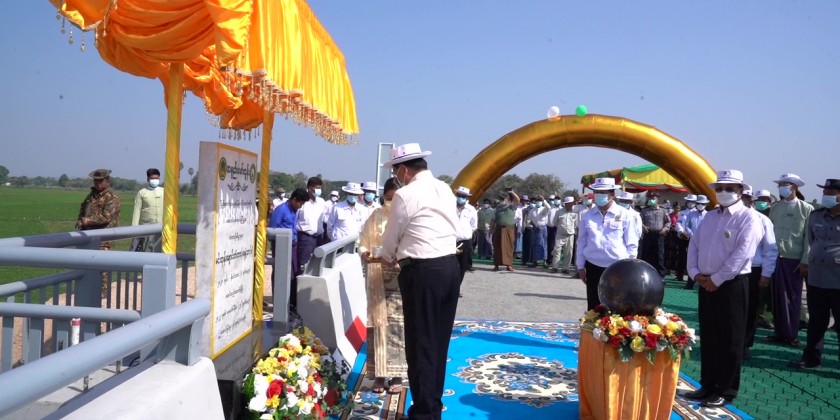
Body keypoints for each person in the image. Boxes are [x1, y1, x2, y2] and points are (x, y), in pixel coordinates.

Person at [380, 143, 460, 420]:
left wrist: (386, 255)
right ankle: (432, 406)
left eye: (395, 171)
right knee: (438, 343)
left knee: (420, 343)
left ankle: (425, 413)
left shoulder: (405, 194)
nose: (396, 177)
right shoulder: (445, 188)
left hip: (422, 271)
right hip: (450, 267)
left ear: (403, 170)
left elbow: (391, 237)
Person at [684, 169, 762, 407]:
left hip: (731, 285)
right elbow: (694, 245)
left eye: (729, 188)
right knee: (709, 336)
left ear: (740, 191)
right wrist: (695, 273)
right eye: (719, 188)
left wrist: (717, 279)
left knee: (730, 338)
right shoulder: (710, 216)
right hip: (705, 282)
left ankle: (725, 390)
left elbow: (743, 253)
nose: (723, 192)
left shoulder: (748, 218)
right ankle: (708, 384)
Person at [358, 178, 408, 393]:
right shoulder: (375, 216)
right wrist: (365, 254)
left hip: (401, 276)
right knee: (377, 325)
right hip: (377, 276)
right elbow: (362, 242)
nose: (391, 203)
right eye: (388, 198)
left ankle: (397, 375)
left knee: (399, 326)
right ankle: (379, 375)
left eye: (395, 199)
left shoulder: (408, 218)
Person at [789, 178, 840, 369]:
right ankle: (811, 358)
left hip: (838, 280)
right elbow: (812, 241)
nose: (826, 196)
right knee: (816, 322)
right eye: (825, 192)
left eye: (831, 193)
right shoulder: (816, 216)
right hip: (817, 278)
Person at [576, 178, 640, 310]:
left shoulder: (625, 215)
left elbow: (632, 243)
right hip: (593, 266)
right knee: (594, 306)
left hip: (617, 267)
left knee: (616, 305)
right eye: (597, 192)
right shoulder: (587, 215)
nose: (599, 195)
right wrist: (580, 265)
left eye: (603, 192)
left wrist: (629, 266)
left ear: (612, 195)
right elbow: (581, 241)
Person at [767, 173, 813, 347]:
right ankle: (779, 332)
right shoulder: (775, 207)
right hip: (775, 257)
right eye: (780, 185)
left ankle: (791, 334)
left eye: (784, 184)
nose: (781, 188)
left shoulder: (806, 208)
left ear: (794, 187)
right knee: (776, 297)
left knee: (792, 298)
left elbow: (809, 237)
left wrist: (805, 260)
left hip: (794, 259)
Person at [741, 186, 778, 360]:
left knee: (751, 309)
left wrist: (766, 273)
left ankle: (745, 344)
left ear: (751, 200)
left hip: (753, 270)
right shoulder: (724, 218)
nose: (742, 199)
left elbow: (770, 249)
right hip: (728, 271)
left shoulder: (762, 220)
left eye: (745, 197)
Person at [76, 169, 121, 295]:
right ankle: (87, 290)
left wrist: (86, 221)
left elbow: (106, 217)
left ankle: (102, 293)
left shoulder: (112, 197)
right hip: (88, 237)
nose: (98, 183)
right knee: (87, 265)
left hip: (103, 238)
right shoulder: (91, 196)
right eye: (96, 180)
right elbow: (83, 210)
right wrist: (80, 221)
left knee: (101, 267)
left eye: (101, 181)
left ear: (107, 181)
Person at [269, 188, 308, 310]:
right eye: (300, 203)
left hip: (293, 245)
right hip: (281, 246)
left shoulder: (294, 210)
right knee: (280, 274)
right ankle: (279, 304)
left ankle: (290, 303)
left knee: (293, 274)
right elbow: (272, 230)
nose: (301, 206)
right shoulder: (281, 210)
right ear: (294, 200)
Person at [295, 177, 327, 273]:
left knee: (317, 264)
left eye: (320, 188)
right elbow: (295, 219)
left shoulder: (321, 202)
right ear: (309, 188)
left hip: (319, 238)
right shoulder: (302, 202)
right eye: (317, 188)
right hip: (305, 237)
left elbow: (325, 219)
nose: (319, 190)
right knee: (303, 264)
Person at [130, 168, 164, 252]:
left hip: (161, 226)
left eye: (157, 178)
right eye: (152, 178)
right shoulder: (142, 192)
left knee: (158, 250)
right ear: (148, 179)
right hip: (146, 227)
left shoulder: (164, 191)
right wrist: (134, 229)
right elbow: (137, 211)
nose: (155, 180)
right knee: (146, 250)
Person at [640, 191, 671, 276]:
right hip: (648, 234)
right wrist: (643, 227)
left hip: (659, 234)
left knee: (659, 255)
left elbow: (668, 222)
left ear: (657, 199)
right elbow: (639, 221)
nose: (651, 200)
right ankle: (645, 274)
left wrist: (665, 229)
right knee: (646, 254)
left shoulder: (663, 210)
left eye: (653, 198)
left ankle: (660, 275)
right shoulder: (644, 211)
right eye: (650, 198)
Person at [683, 195, 710, 289]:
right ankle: (690, 283)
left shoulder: (708, 215)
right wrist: (692, 235)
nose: (700, 205)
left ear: (706, 204)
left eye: (702, 204)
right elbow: (687, 225)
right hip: (693, 240)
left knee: (703, 260)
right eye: (698, 203)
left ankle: (703, 282)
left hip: (705, 241)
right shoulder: (691, 214)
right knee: (692, 260)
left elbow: (710, 228)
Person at [492, 190, 520, 272]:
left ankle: (509, 265)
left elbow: (518, 200)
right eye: (501, 199)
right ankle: (496, 265)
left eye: (503, 199)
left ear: (507, 200)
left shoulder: (511, 207)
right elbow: (493, 220)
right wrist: (491, 230)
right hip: (498, 229)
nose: (502, 201)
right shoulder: (497, 209)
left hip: (509, 230)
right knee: (497, 247)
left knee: (509, 247)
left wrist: (512, 193)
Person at [550, 196, 578, 274]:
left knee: (569, 252)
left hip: (570, 235)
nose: (570, 205)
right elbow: (555, 223)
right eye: (568, 204)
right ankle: (555, 267)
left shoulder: (575, 213)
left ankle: (566, 268)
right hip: (560, 235)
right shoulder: (559, 212)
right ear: (565, 204)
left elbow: (576, 224)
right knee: (557, 250)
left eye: (571, 204)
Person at [454, 186, 477, 277]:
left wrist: (465, 233)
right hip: (451, 240)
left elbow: (474, 225)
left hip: (465, 241)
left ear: (467, 198)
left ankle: (457, 284)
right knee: (450, 265)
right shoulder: (449, 207)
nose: (460, 198)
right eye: (459, 195)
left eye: (463, 196)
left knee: (462, 266)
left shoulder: (471, 209)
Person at [527, 195, 550, 268]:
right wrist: (532, 224)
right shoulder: (532, 210)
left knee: (544, 244)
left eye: (540, 201)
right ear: (536, 202)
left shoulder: (544, 209)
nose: (539, 202)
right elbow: (528, 220)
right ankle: (535, 261)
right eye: (538, 201)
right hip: (535, 229)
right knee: (535, 244)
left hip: (543, 228)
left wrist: (544, 200)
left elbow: (549, 207)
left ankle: (544, 261)